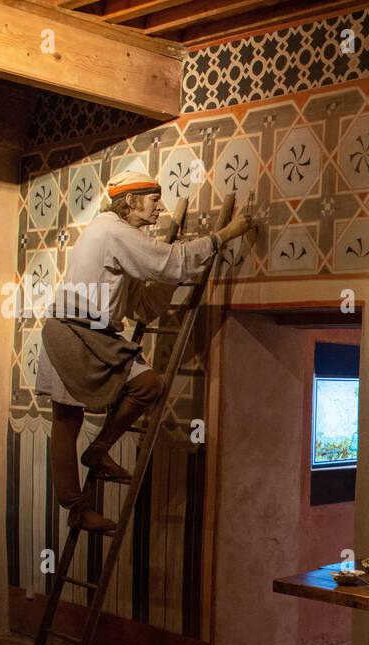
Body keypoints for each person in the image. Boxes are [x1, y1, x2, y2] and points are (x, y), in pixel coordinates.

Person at [34, 170, 256, 531]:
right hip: (71, 331)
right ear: (131, 201)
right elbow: (169, 261)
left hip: (92, 332)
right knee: (66, 421)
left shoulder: (119, 236)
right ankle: (76, 508)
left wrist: (171, 275)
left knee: (148, 384)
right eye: (153, 199)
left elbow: (144, 307)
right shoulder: (111, 230)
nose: (159, 207)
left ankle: (98, 451)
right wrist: (224, 234)